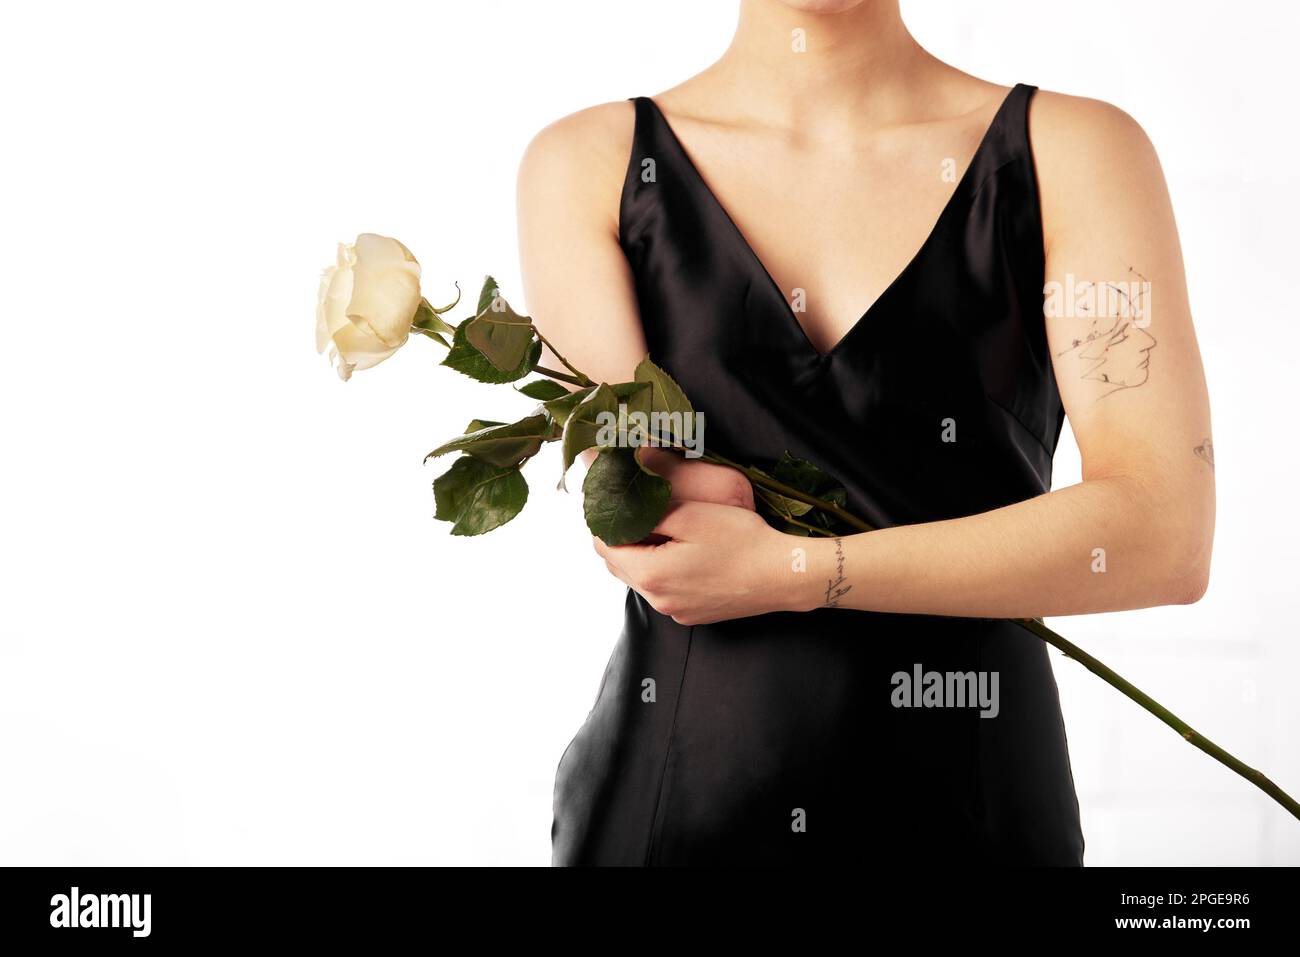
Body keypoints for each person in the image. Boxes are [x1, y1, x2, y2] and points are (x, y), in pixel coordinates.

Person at [516, 0, 1214, 865]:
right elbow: (640, 509)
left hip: (980, 817)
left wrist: (800, 571)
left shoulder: (1076, 152)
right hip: (676, 812)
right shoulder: (589, 164)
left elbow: (1163, 533)